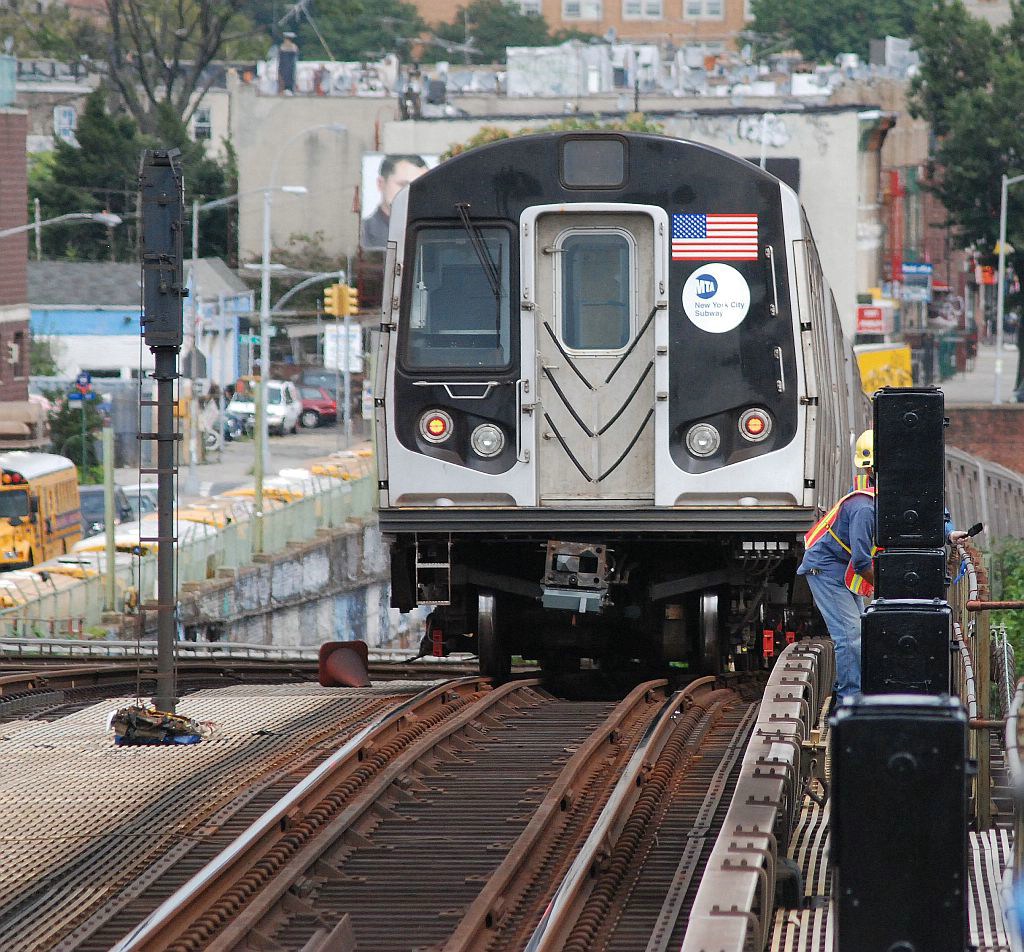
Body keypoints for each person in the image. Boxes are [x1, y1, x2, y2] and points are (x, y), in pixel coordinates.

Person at [797, 429, 877, 701]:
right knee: (850, 636)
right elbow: (862, 561)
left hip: (842, 571)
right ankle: (849, 700)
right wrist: (888, 588)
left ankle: (857, 692)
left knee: (860, 633)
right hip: (826, 570)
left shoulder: (873, 496)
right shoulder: (864, 507)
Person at [361, 154, 428, 249]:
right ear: (381, 184)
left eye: (420, 188)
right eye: (404, 185)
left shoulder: (435, 232)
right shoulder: (362, 233)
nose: (413, 193)